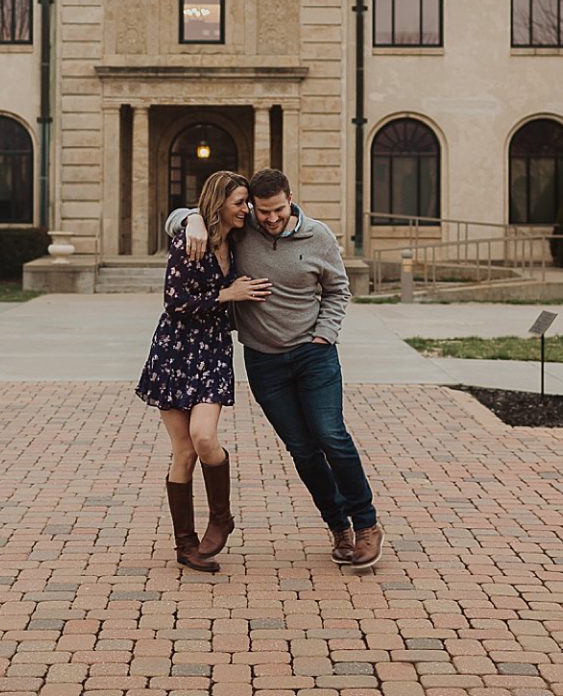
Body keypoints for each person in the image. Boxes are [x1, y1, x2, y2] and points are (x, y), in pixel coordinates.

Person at [168, 168, 384, 568]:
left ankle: (367, 525)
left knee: (330, 436)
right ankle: (339, 528)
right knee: (302, 450)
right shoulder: (242, 227)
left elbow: (338, 289)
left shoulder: (318, 236)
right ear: (252, 207)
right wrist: (192, 218)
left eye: (278, 210)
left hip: (313, 354)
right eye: (262, 211)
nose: (270, 218)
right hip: (264, 361)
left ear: (290, 199)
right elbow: (186, 215)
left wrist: (326, 333)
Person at [137, 170, 272, 573]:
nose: (246, 209)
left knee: (203, 437)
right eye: (239, 202)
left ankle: (221, 516)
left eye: (247, 202)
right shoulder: (189, 240)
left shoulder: (239, 240)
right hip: (174, 350)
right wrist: (225, 294)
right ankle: (186, 545)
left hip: (212, 350)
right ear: (219, 204)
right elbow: (174, 301)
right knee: (183, 451)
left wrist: (193, 215)